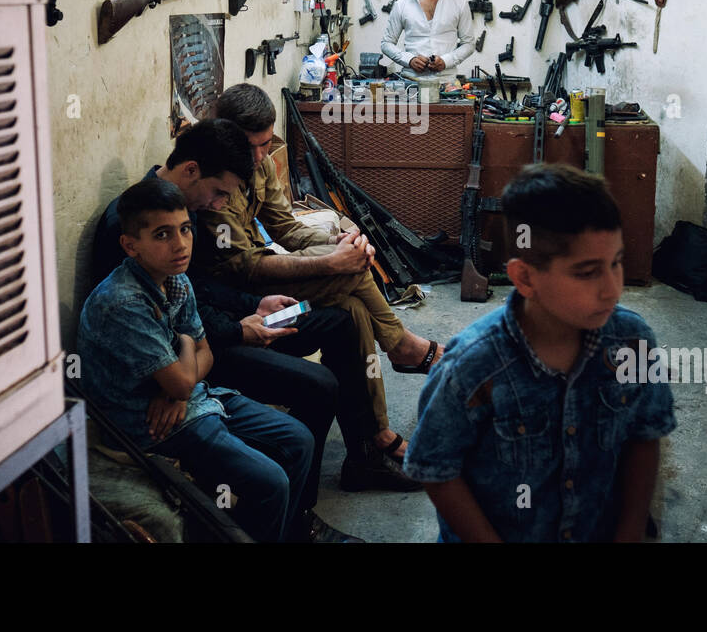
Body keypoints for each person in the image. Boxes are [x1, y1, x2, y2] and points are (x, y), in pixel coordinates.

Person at [91, 122, 418, 542]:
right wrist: (232, 335)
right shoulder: (141, 224)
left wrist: (253, 309)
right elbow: (155, 325)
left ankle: (365, 453)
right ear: (191, 170)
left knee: (343, 316)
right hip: (195, 353)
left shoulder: (184, 212)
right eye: (219, 193)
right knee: (317, 385)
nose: (220, 203)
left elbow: (197, 289)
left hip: (218, 327)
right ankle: (296, 518)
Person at [403, 164, 677, 542]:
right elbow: (435, 468)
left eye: (615, 262)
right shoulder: (472, 366)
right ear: (525, 278)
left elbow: (646, 435)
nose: (612, 288)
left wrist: (630, 529)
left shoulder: (632, 342)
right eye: (587, 272)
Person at [192, 84, 443, 466]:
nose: (259, 157)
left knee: (354, 308)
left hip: (265, 287)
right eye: (250, 146)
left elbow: (285, 228)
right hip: (245, 304)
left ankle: (372, 442)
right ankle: (402, 345)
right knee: (348, 270)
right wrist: (331, 261)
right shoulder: (214, 179)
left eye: (265, 145)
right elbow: (246, 267)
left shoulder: (257, 165)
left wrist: (337, 238)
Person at [77, 176, 313, 543]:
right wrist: (186, 357)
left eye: (185, 229)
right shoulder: (122, 302)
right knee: (270, 482)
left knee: (299, 439)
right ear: (130, 245)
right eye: (162, 235)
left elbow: (206, 356)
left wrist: (181, 384)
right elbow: (189, 368)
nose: (181, 244)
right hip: (147, 425)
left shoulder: (176, 280)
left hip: (189, 402)